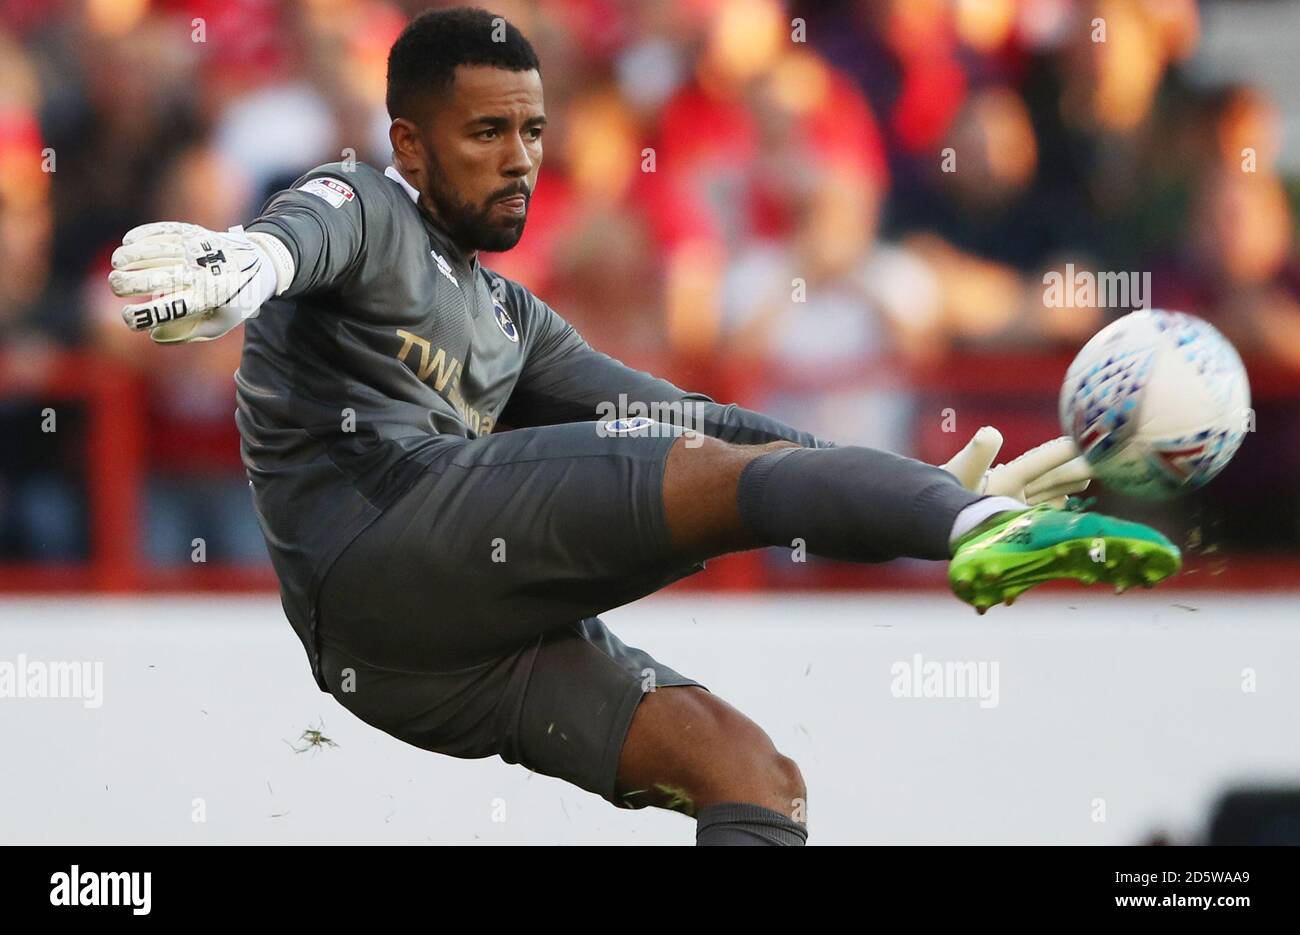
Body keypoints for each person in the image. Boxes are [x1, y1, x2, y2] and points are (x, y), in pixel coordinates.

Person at [106, 7, 1179, 846]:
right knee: (705, 477)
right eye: (485, 132)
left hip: (416, 661)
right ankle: (972, 538)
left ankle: (961, 522)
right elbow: (294, 241)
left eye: (531, 129)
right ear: (412, 146)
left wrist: (920, 486)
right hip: (384, 540)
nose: (520, 155)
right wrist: (238, 265)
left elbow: (697, 423)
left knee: (751, 773)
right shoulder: (364, 202)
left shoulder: (508, 317)